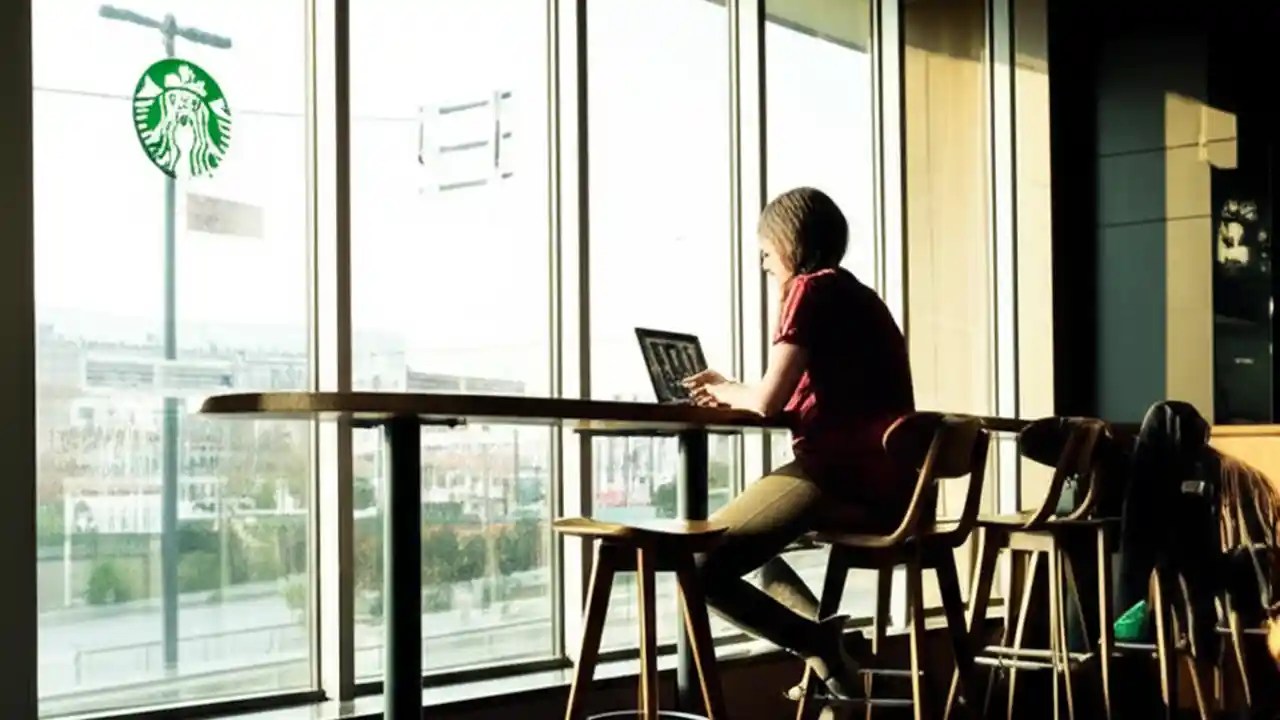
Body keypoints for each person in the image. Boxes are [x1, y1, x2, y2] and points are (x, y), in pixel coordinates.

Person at [682, 186, 915, 699]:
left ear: (790, 241)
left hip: (842, 475)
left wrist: (724, 389)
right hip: (894, 483)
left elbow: (768, 402)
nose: (763, 263)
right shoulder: (859, 295)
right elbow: (802, 396)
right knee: (763, 557)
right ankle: (830, 642)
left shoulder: (810, 290)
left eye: (766, 250)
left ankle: (820, 644)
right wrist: (736, 389)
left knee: (697, 567)